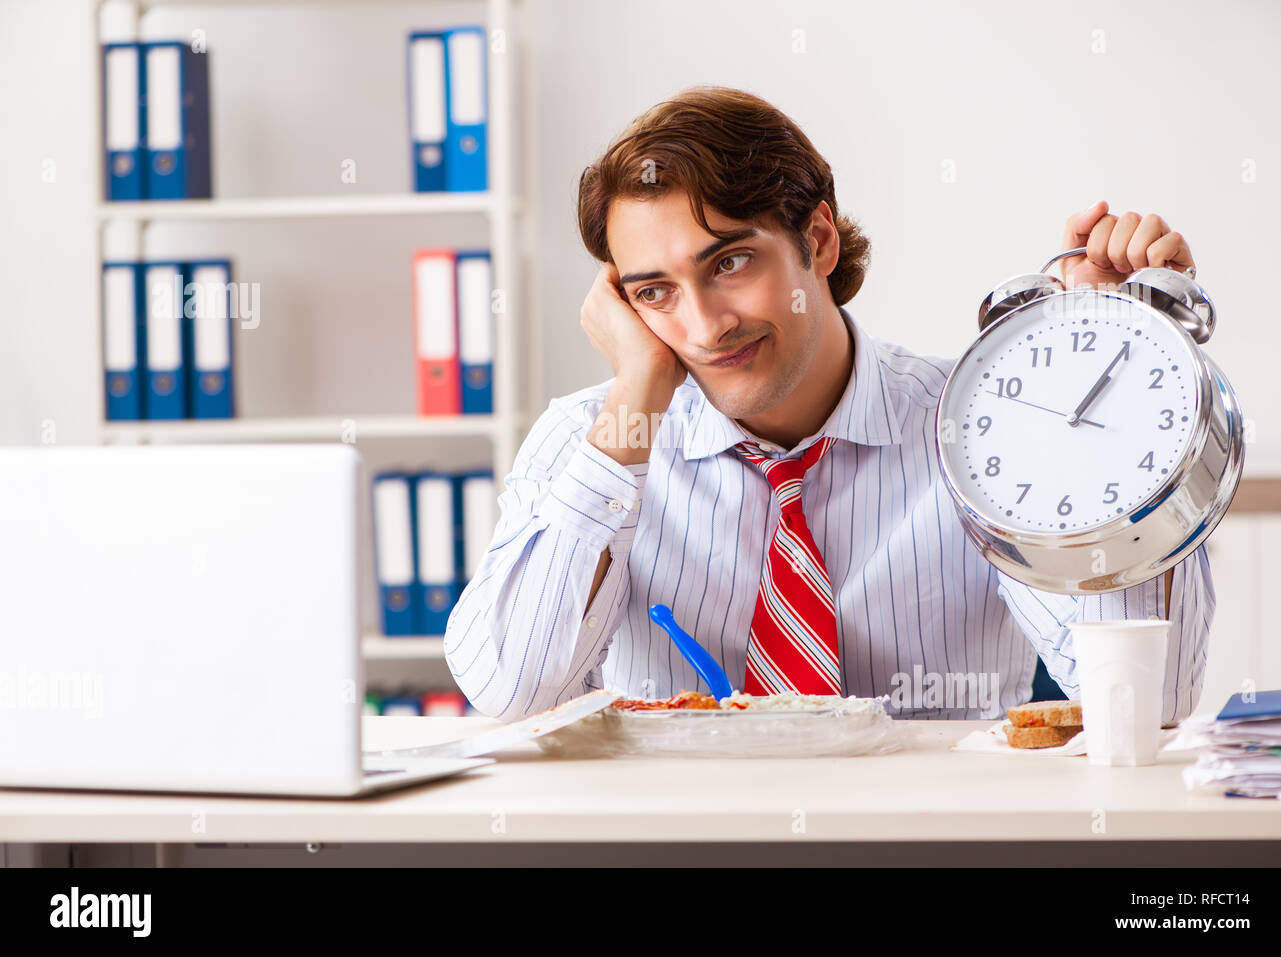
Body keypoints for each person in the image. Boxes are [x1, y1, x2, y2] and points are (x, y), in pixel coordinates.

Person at [444, 85, 1212, 725]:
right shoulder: (593, 438)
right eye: (655, 292)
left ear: (817, 241)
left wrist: (1118, 389)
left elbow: (1147, 701)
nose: (705, 327)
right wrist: (638, 392)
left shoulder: (987, 429)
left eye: (732, 262)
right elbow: (514, 695)